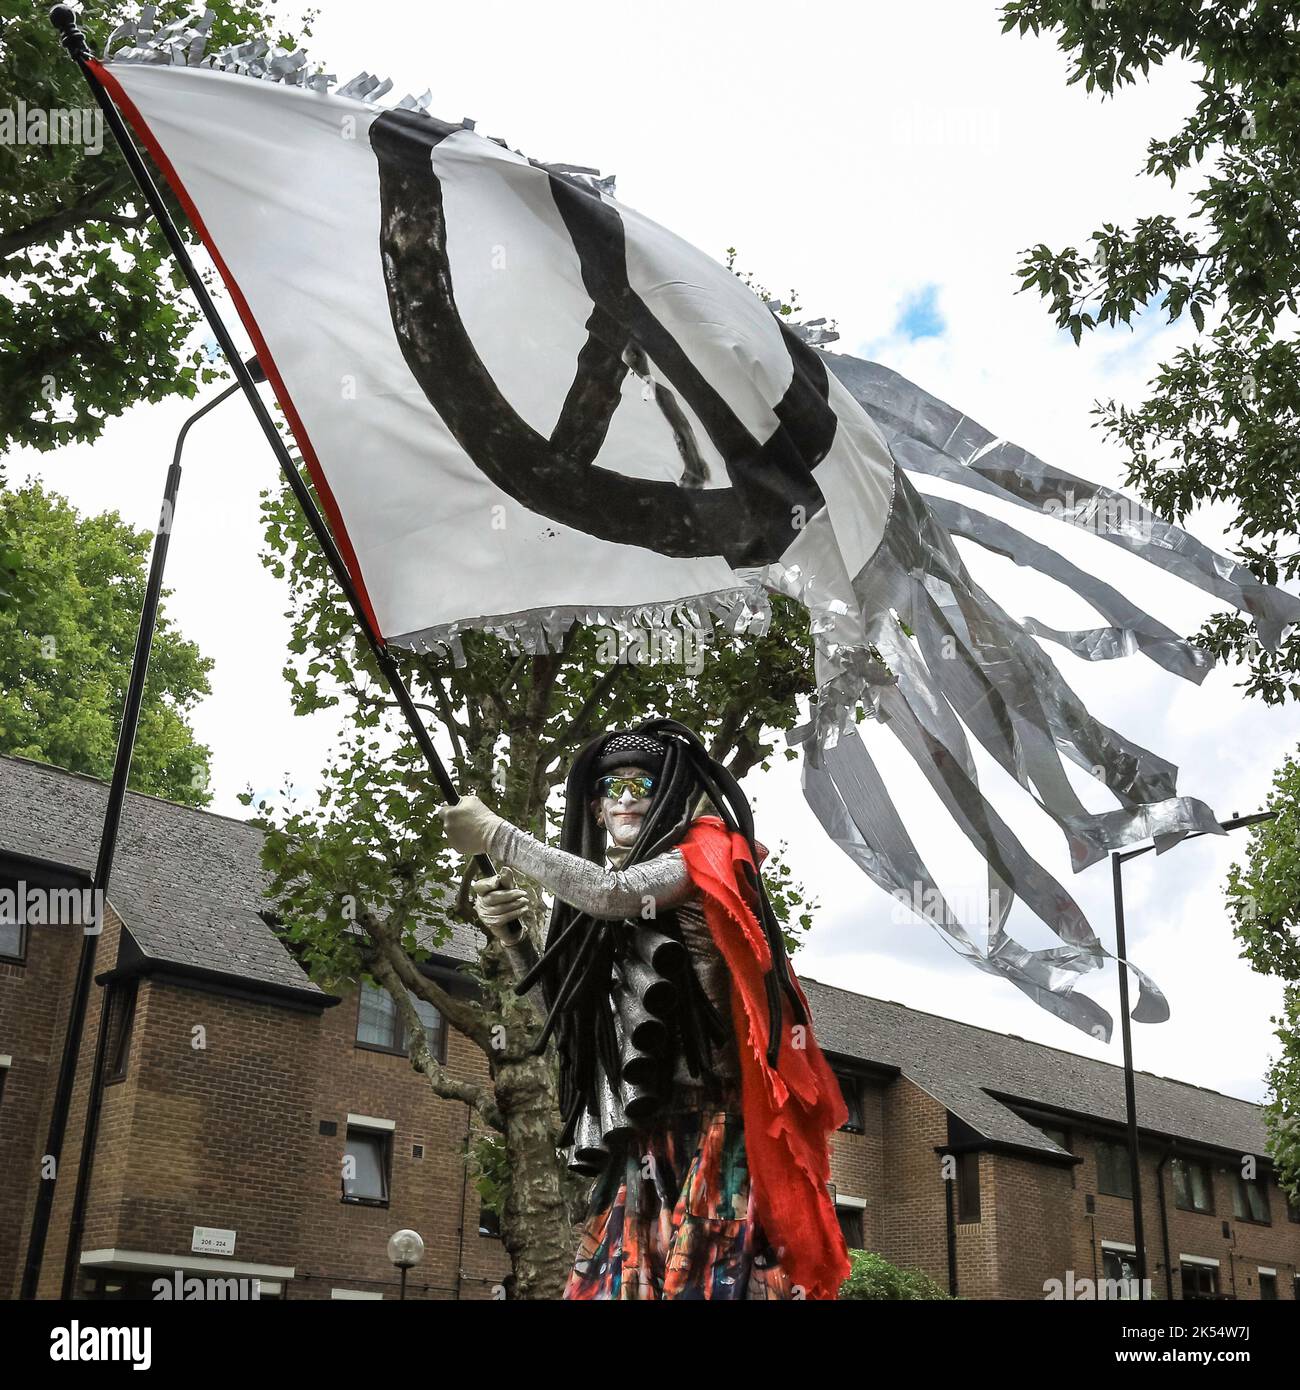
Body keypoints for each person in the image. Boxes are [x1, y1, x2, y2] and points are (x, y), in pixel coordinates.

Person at [437, 718, 849, 1300]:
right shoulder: (599, 896)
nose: (628, 797)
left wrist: (499, 836)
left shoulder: (701, 857)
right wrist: (514, 939)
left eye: (644, 785)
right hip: (643, 1138)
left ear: (671, 798)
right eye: (613, 787)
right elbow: (568, 1015)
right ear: (597, 810)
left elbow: (613, 896)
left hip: (716, 1126)